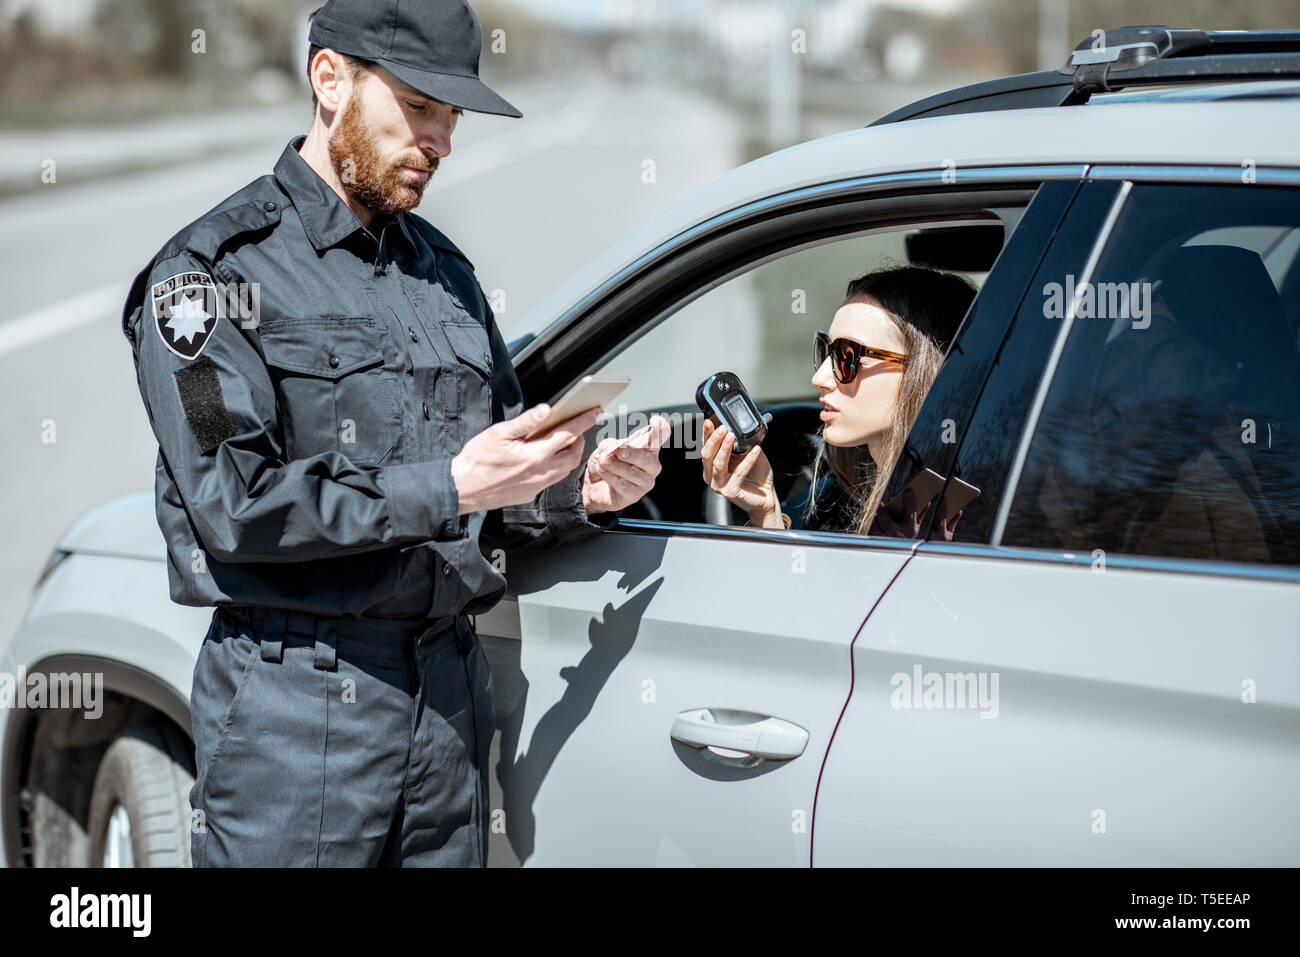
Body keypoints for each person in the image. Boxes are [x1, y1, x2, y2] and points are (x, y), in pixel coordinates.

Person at [121, 0, 667, 867]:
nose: (441, 141)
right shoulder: (205, 280)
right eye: (419, 107)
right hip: (295, 718)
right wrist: (453, 486)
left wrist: (575, 487)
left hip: (449, 704)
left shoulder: (445, 274)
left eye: (451, 118)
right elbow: (235, 502)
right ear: (329, 78)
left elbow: (491, 477)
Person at [700, 265, 975, 537]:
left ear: (925, 371)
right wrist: (766, 513)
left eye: (847, 357)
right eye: (825, 350)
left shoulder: (959, 519)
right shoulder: (849, 496)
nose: (819, 378)